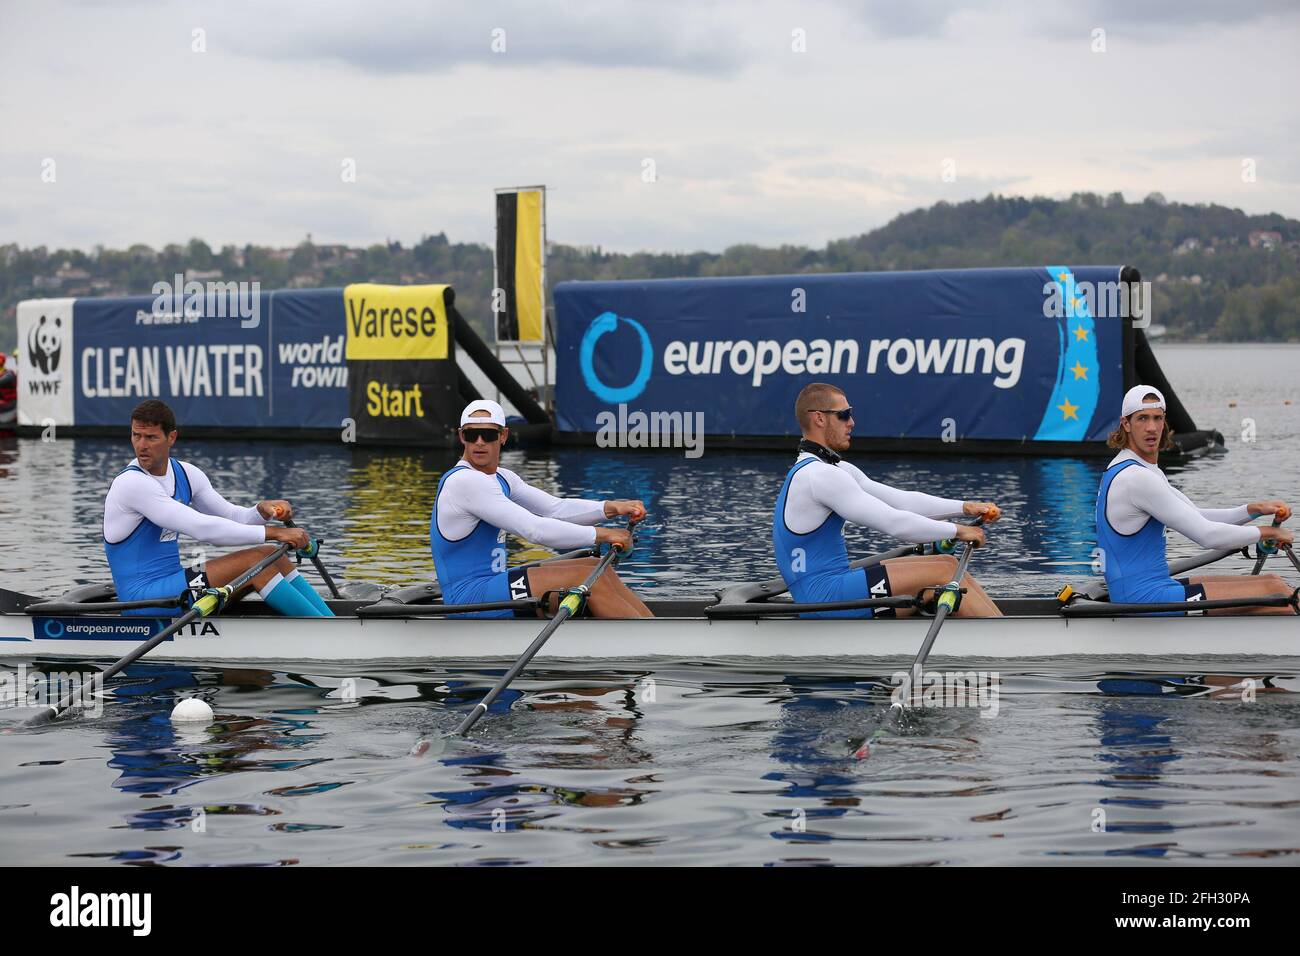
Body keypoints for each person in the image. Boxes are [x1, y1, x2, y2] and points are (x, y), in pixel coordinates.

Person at [773, 382, 1003, 618]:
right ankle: (1008, 644)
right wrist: (958, 531)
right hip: (824, 598)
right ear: (819, 419)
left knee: (946, 566)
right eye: (844, 415)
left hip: (834, 587)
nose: (852, 422)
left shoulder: (834, 468)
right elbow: (894, 523)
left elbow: (901, 502)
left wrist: (963, 508)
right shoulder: (819, 476)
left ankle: (999, 632)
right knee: (944, 569)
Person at [103, 399, 331, 617]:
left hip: (173, 585)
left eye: (151, 437)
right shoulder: (131, 484)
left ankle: (329, 620)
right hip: (142, 601)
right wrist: (276, 532)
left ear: (171, 437)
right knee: (256, 562)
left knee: (272, 555)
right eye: (136, 435)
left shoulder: (187, 474)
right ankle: (329, 635)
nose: (141, 445)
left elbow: (233, 516)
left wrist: (260, 511)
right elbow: (201, 528)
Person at [430, 400, 651, 618]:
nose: (479, 442)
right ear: (461, 437)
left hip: (492, 585)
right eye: (471, 435)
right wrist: (605, 534)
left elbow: (555, 508)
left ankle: (651, 630)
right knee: (583, 575)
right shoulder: (464, 482)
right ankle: (650, 645)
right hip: (469, 599)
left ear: (503, 436)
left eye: (488, 435)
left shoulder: (504, 478)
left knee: (597, 568)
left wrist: (612, 507)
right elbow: (534, 530)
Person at [1096, 385, 1293, 614]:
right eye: (1142, 418)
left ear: (1164, 422)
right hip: (1143, 600)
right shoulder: (1137, 478)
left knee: (1271, 580)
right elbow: (1207, 536)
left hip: (1152, 589)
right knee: (1276, 592)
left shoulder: (1137, 470)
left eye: (1157, 418)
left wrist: (1253, 510)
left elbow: (1196, 516)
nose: (1151, 428)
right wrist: (1268, 533)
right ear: (1126, 424)